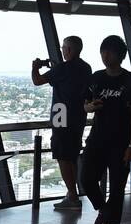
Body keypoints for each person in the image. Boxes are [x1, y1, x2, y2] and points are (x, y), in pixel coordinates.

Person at [79, 35, 131, 224]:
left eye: (110, 52)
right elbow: (85, 103)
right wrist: (89, 107)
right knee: (86, 179)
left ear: (120, 55)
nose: (105, 56)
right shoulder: (96, 78)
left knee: (117, 186)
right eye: (103, 52)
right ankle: (104, 212)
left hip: (121, 142)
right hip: (97, 138)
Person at [32, 35, 92, 211]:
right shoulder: (85, 68)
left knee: (61, 155)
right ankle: (72, 194)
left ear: (70, 50)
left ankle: (72, 195)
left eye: (63, 48)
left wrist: (35, 67)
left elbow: (37, 81)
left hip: (60, 114)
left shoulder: (62, 69)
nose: (62, 50)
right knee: (72, 154)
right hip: (78, 116)